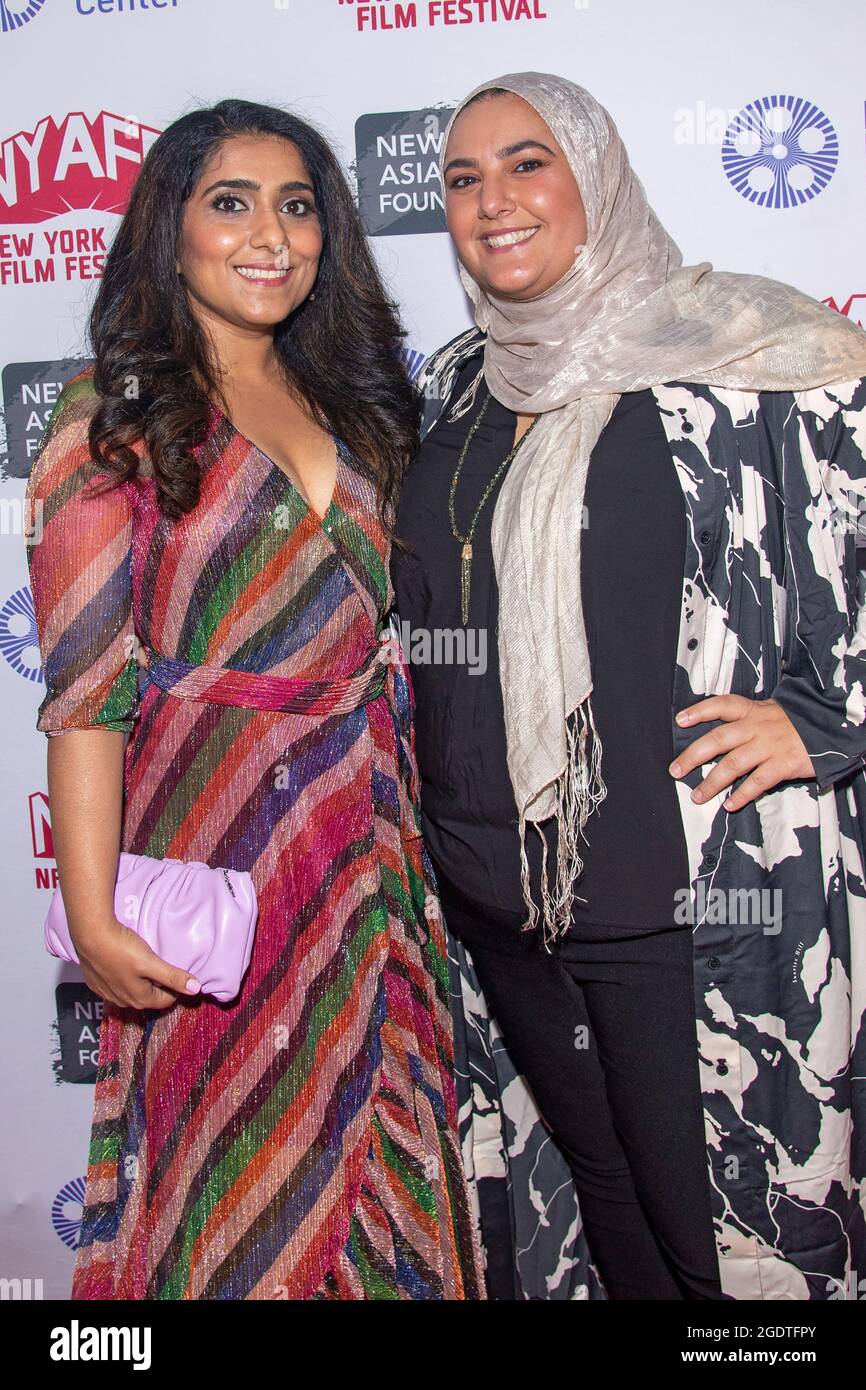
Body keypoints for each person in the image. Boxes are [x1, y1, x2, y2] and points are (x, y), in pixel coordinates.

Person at [391, 71, 866, 1300]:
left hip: (680, 904)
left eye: (526, 162)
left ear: (595, 174)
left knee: (729, 1244)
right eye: (460, 177)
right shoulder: (456, 384)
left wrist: (824, 718)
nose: (491, 200)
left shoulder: (755, 354)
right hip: (502, 903)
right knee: (606, 1206)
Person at [25, 97, 485, 1301]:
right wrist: (91, 911)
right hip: (214, 842)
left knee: (378, 1136)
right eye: (230, 202)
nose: (270, 233)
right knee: (231, 1159)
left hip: (366, 838)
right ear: (168, 230)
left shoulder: (362, 406)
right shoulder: (109, 421)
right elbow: (85, 696)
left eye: (297, 205)